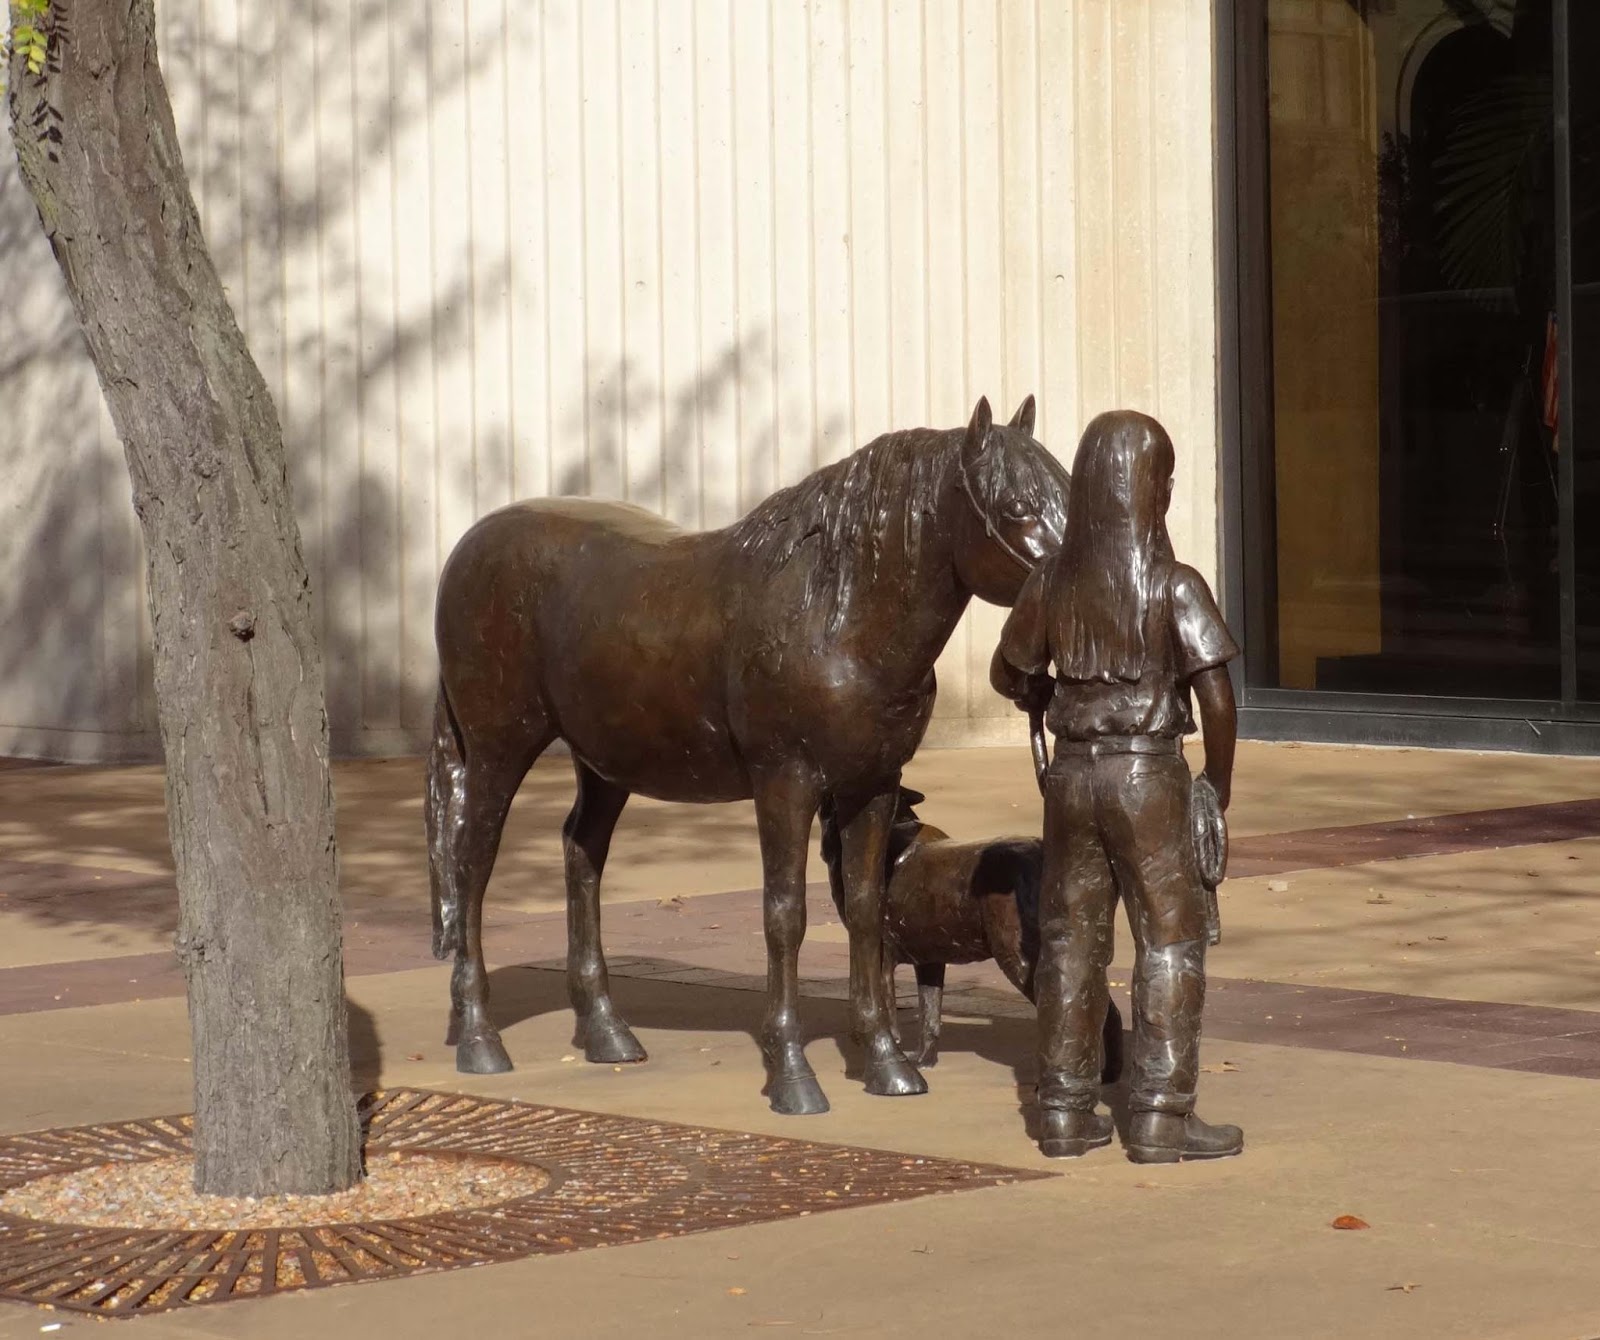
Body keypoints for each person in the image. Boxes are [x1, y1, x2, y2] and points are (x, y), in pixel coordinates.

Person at [990, 410, 1242, 1163]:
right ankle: (1161, 1117)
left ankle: (1064, 1112)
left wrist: (1045, 692)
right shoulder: (1174, 585)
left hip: (1071, 775)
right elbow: (1219, 697)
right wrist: (1214, 787)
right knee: (1169, 941)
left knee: (1069, 939)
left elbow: (1009, 670)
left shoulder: (1050, 584)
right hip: (1148, 775)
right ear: (1152, 494)